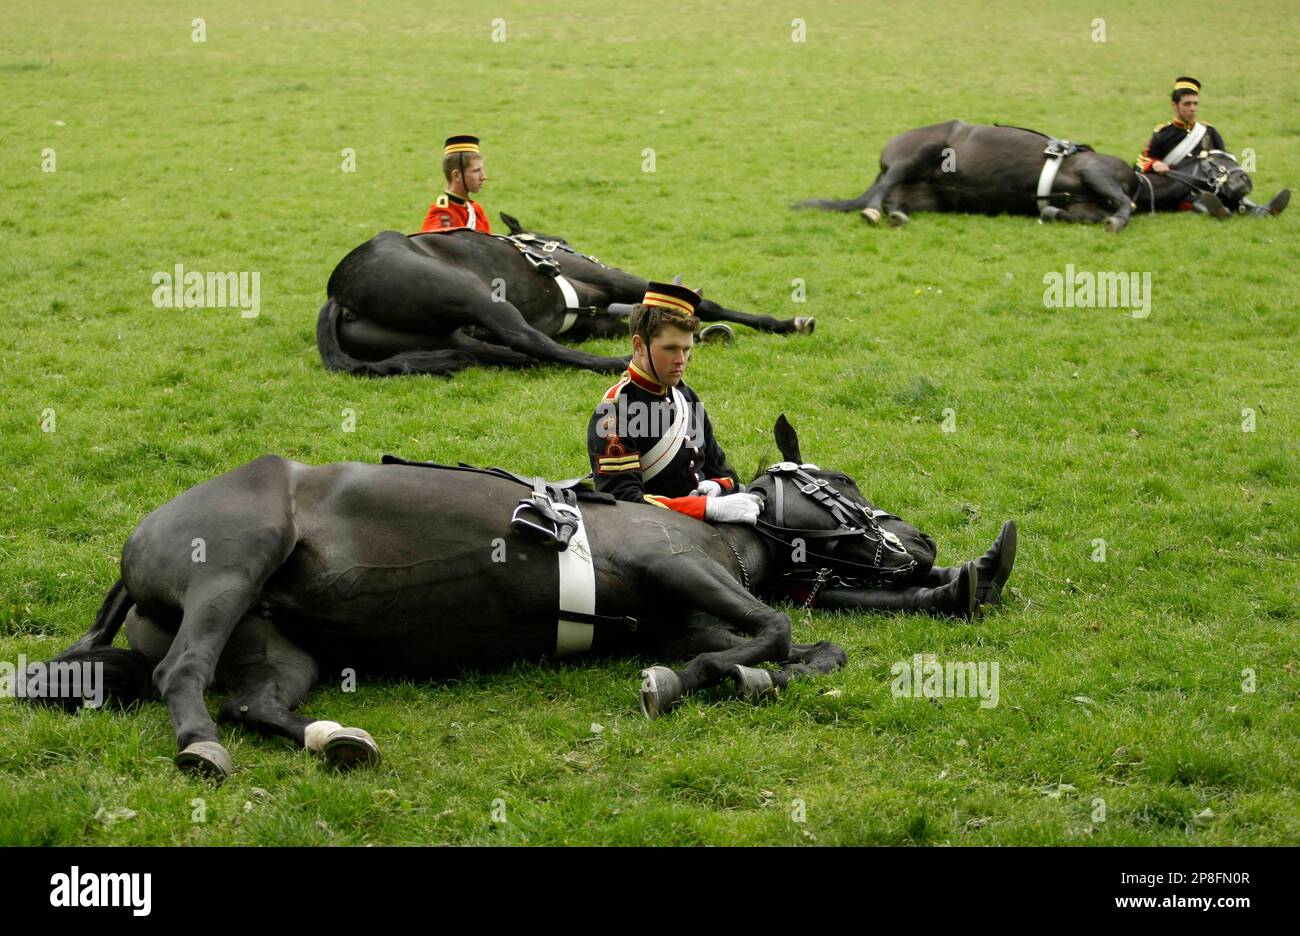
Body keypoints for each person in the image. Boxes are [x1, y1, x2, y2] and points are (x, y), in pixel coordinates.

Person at [587, 282, 760, 525]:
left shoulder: (685, 397)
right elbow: (623, 502)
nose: (681, 360)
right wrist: (706, 508)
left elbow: (723, 471)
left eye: (686, 349)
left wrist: (716, 487)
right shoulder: (614, 415)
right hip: (657, 535)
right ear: (639, 345)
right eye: (670, 349)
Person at [1137, 77, 1289, 217]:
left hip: (1209, 182)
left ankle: (1261, 210)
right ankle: (1220, 212)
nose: (1192, 108)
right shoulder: (1164, 134)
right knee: (1197, 199)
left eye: (1195, 103)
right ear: (1174, 106)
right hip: (1182, 187)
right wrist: (1155, 163)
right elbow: (1142, 160)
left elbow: (1222, 157)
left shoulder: (1208, 131)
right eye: (1187, 104)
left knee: (1229, 192)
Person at [420, 135, 493, 233]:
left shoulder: (476, 209)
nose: (483, 177)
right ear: (457, 175)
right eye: (476, 171)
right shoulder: (441, 215)